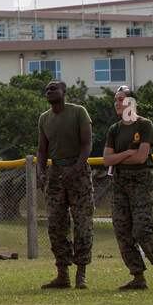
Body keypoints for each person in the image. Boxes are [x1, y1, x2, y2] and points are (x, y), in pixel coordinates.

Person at [103, 86, 153, 289]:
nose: (117, 103)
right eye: (115, 99)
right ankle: (138, 277)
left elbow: (141, 157)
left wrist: (121, 156)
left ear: (132, 102)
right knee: (122, 230)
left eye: (121, 99)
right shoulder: (114, 130)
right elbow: (107, 159)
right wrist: (126, 154)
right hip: (120, 181)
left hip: (141, 181)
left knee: (143, 229)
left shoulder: (144, 125)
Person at [36, 80, 93, 290]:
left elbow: (87, 144)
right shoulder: (44, 118)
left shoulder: (78, 112)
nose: (49, 92)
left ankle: (81, 274)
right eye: (47, 89)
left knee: (82, 224)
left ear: (64, 92)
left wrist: (76, 169)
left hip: (78, 172)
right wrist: (41, 173)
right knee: (56, 225)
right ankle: (63, 274)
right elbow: (42, 150)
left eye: (53, 88)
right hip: (56, 172)